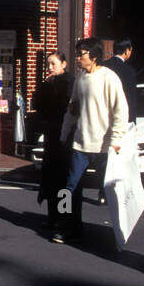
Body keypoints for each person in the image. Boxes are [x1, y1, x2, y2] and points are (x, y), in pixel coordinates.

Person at [53, 38, 129, 244]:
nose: (78, 57)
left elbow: (120, 110)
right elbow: (73, 108)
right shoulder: (81, 78)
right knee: (70, 188)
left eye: (82, 53)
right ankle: (67, 226)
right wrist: (64, 133)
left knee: (113, 191)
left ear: (94, 56)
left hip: (105, 146)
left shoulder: (109, 78)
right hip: (81, 143)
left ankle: (121, 231)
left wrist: (116, 139)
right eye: (78, 53)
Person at [33, 51, 73, 230]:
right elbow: (38, 105)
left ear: (63, 64)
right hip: (51, 135)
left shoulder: (71, 83)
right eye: (48, 64)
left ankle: (63, 216)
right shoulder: (46, 84)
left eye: (53, 64)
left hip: (65, 137)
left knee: (63, 179)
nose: (49, 68)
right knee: (49, 177)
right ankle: (51, 215)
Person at [101, 38, 139, 126]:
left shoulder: (102, 66)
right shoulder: (129, 71)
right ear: (127, 51)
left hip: (102, 115)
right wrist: (132, 121)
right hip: (120, 117)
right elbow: (130, 98)